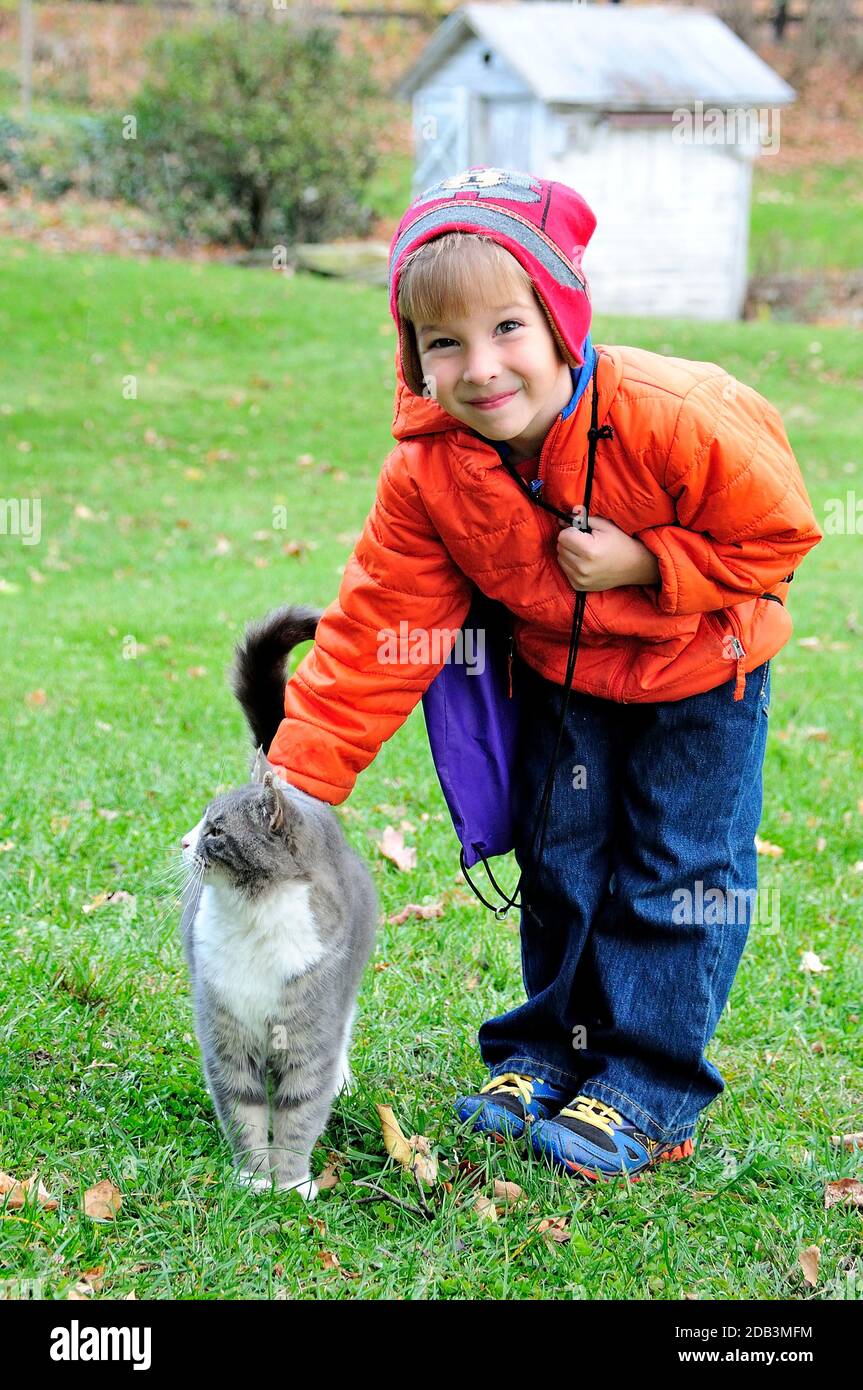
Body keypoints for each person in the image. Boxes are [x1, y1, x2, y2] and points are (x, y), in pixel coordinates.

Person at [266, 166, 823, 1181]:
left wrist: (649, 562)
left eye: (507, 328)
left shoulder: (674, 415)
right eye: (443, 342)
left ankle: (647, 1085)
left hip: (701, 679)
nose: (480, 368)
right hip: (565, 684)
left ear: (560, 320)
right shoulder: (432, 470)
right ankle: (545, 1055)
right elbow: (379, 625)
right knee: (562, 865)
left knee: (674, 874)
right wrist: (295, 784)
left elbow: (778, 541)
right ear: (413, 355)